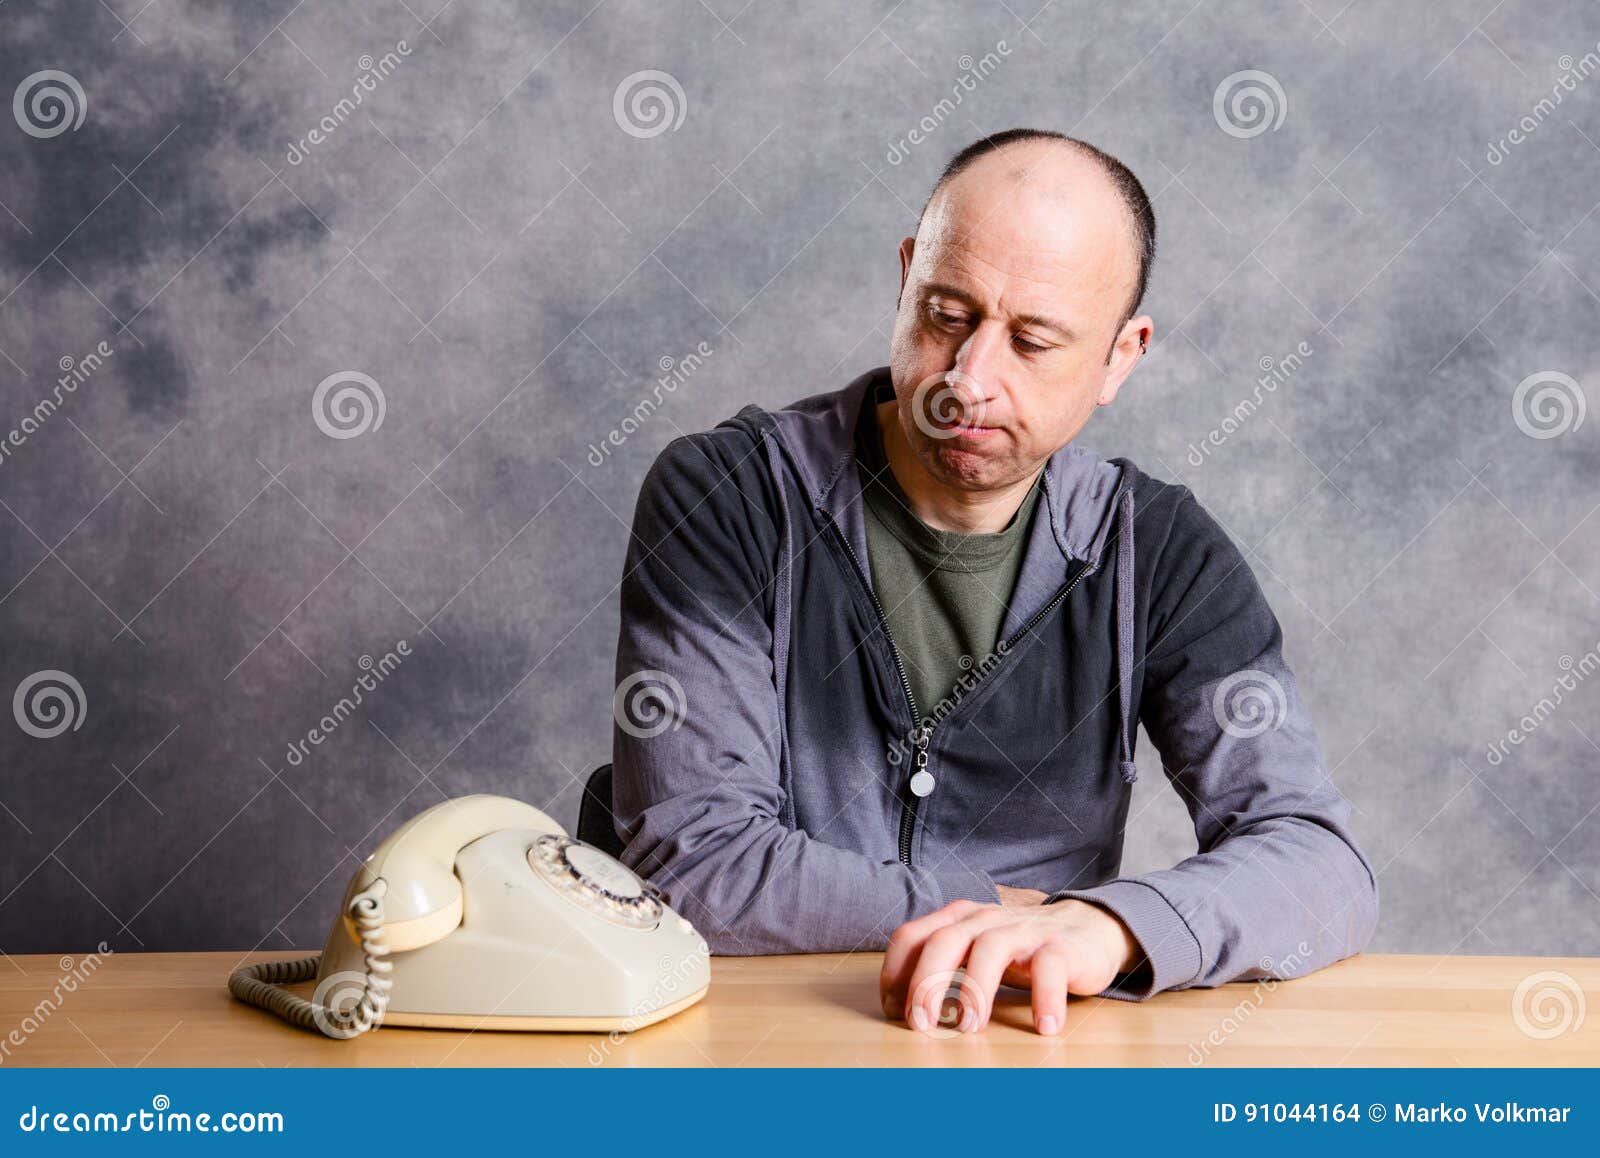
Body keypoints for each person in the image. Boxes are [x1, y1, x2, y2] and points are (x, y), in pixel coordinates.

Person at [609, 128, 1378, 1037]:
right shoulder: (730, 495)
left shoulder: (1163, 554)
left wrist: (1110, 927)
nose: (969, 381)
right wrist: (1013, 911)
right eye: (946, 314)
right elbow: (696, 863)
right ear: (905, 278)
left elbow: (1319, 864)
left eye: (1033, 341)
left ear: (1120, 358)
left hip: (1021, 1056)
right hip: (752, 1050)